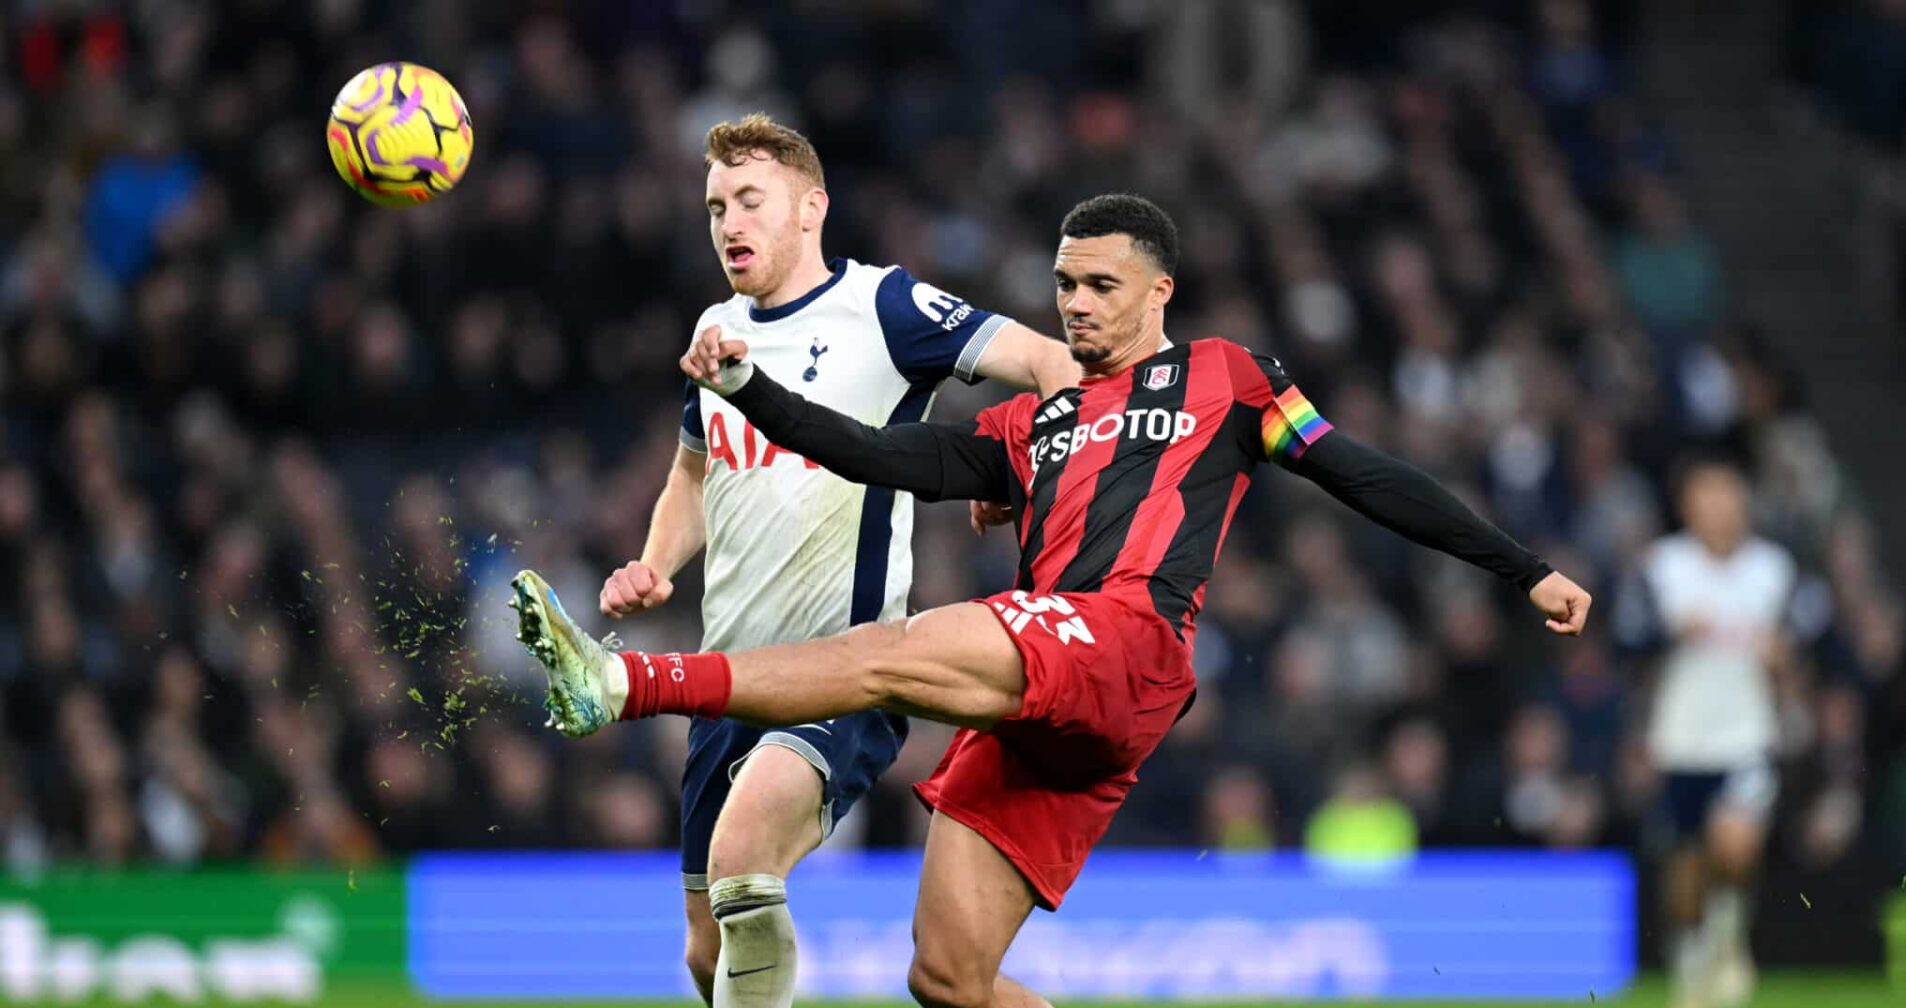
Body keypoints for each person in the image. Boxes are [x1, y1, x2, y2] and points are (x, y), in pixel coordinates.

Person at [515, 194, 1590, 1008]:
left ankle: (626, 682)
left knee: (891, 650)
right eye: (1066, 285)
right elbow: (874, 452)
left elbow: (1363, 473)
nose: (1075, 305)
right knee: (946, 979)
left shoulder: (1230, 378)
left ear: (1159, 291)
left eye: (1101, 287)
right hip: (1051, 695)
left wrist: (1523, 568)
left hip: (1126, 642)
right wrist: (749, 390)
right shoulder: (1029, 427)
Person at [593, 114, 1078, 1008]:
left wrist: (1014, 458)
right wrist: (656, 562)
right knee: (707, 956)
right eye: (714, 208)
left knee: (743, 866)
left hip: (843, 673)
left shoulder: (885, 308)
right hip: (726, 681)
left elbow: (1054, 364)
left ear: (811, 208)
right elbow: (692, 474)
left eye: (750, 201)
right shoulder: (716, 331)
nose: (729, 224)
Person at [1620, 459, 1795, 1008]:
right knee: (1688, 862)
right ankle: (1692, 951)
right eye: (1708, 499)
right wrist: (1668, 635)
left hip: (1747, 734)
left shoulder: (1774, 569)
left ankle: (1728, 937)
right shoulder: (1662, 566)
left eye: (1728, 498)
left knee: (1736, 844)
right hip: (1681, 736)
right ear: (1688, 507)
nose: (1719, 511)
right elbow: (1629, 643)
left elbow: (1800, 648)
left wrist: (1780, 659)